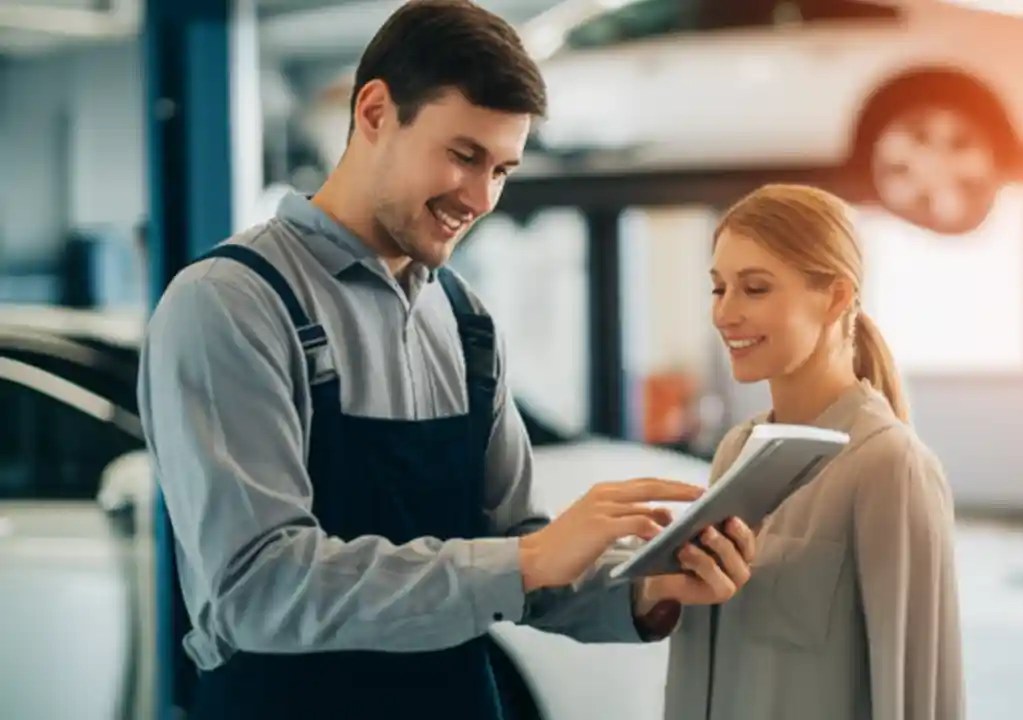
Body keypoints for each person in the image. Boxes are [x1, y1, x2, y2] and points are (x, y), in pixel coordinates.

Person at [137, 2, 755, 718]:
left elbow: (518, 554)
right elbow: (258, 588)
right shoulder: (231, 305)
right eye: (463, 156)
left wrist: (648, 590)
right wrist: (526, 562)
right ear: (374, 113)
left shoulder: (465, 321)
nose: (480, 197)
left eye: (501, 169)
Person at [664, 184, 965, 720]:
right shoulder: (736, 450)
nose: (725, 314)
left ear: (836, 296)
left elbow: (916, 690)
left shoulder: (888, 464)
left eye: (755, 288)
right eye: (718, 289)